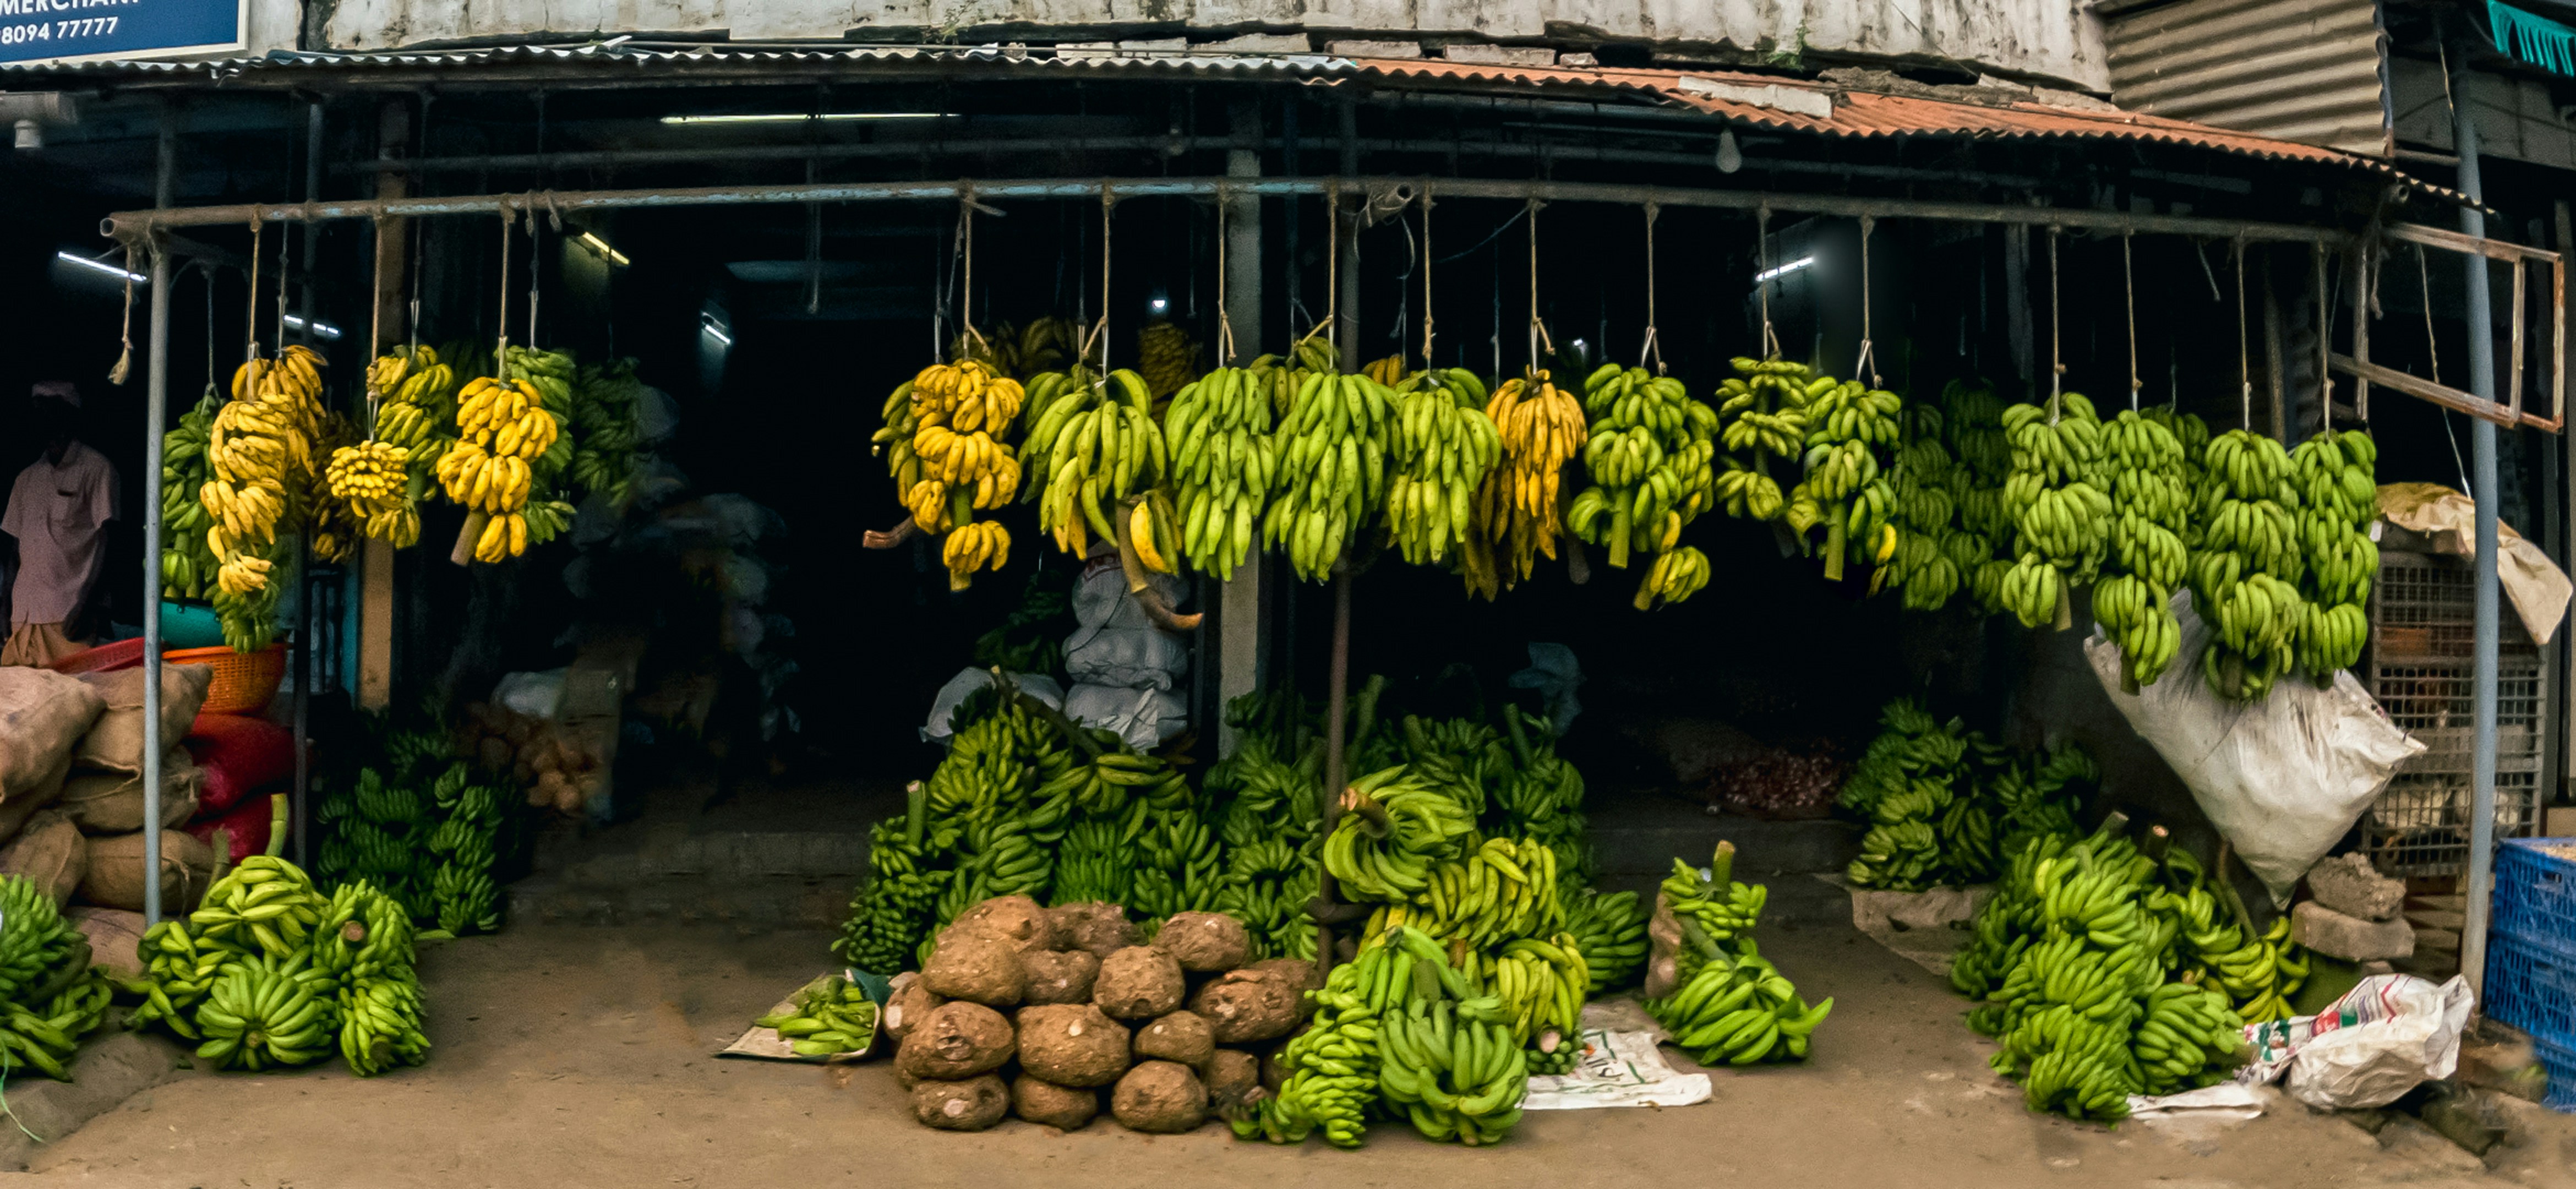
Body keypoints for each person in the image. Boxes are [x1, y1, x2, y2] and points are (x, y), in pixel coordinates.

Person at [2, 383, 120, 666]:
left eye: (48, 411)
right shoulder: (26, 479)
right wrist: (4, 607)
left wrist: (86, 603)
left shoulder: (97, 469)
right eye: (36, 412)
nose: (39, 419)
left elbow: (108, 541)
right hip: (24, 618)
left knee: (77, 697)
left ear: (68, 417)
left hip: (69, 618)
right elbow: (15, 550)